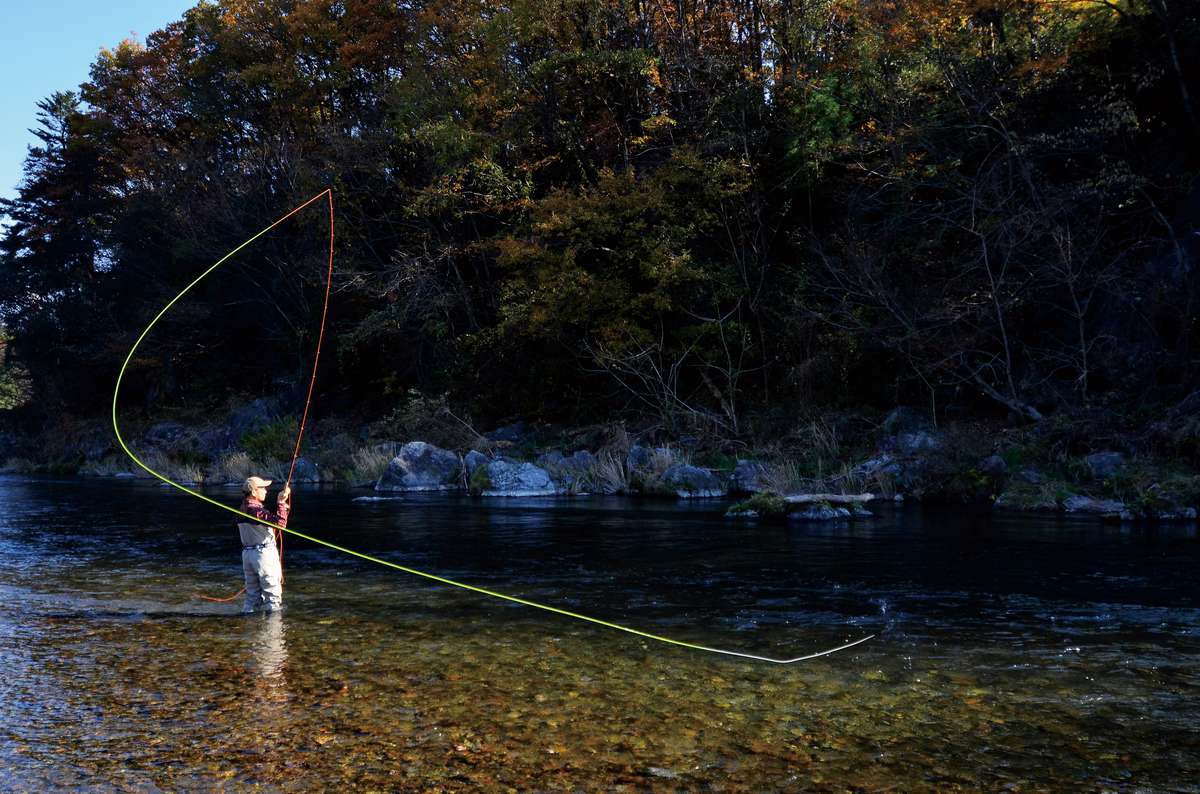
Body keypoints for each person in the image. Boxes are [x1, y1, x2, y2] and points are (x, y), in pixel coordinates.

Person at [238, 475, 290, 613]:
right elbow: (280, 524)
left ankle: (251, 628)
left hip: (247, 555)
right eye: (263, 488)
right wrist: (281, 503)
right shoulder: (256, 511)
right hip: (263, 556)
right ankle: (273, 632)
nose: (266, 491)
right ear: (254, 492)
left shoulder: (242, 508)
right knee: (272, 597)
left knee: (252, 598)